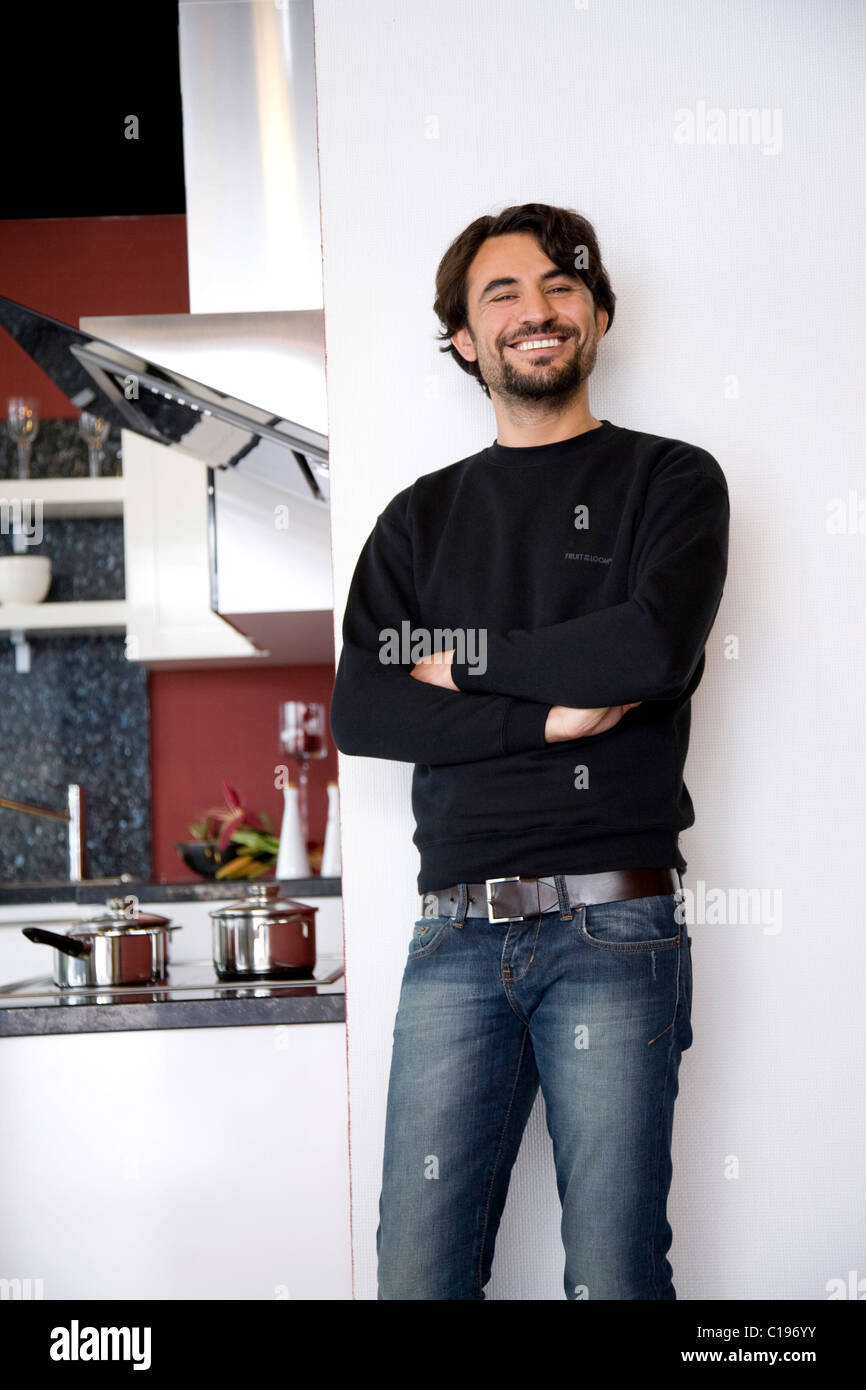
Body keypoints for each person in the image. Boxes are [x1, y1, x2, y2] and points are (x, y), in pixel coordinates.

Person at [329, 202, 729, 1300]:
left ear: (596, 315)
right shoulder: (419, 519)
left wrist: (458, 660)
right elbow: (363, 706)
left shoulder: (673, 481)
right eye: (500, 292)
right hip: (453, 931)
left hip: (616, 925)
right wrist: (541, 710)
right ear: (464, 338)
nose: (534, 309)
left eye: (560, 286)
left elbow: (644, 645)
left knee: (610, 1274)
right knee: (417, 1279)